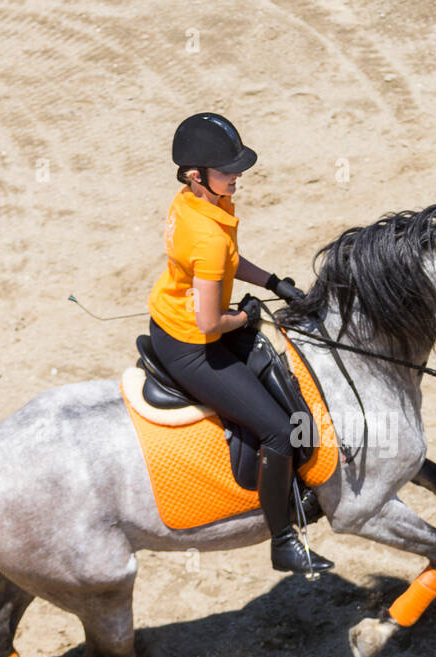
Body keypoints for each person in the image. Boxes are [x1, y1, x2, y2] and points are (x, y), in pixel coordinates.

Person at [146, 112, 332, 575]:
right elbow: (210, 322)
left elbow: (227, 260)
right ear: (197, 176)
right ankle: (284, 541)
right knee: (277, 431)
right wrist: (245, 315)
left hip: (171, 318)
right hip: (191, 346)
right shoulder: (207, 233)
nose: (237, 176)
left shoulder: (194, 203)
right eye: (228, 171)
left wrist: (272, 282)